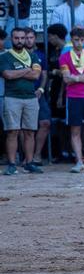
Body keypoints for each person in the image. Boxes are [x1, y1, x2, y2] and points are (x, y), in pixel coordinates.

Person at [0, 27, 41, 174]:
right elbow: (7, 75)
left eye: (22, 38)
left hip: (30, 97)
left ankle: (29, 162)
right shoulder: (4, 57)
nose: (19, 41)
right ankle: (12, 164)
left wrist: (19, 72)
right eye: (16, 38)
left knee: (30, 132)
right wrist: (26, 70)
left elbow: (36, 75)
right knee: (13, 131)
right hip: (12, 97)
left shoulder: (33, 56)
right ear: (12, 39)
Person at [60, 27, 84, 173]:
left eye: (82, 40)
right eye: (76, 40)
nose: (79, 43)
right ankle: (79, 161)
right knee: (75, 130)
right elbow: (66, 79)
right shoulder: (64, 57)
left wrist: (76, 77)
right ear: (72, 40)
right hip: (73, 97)